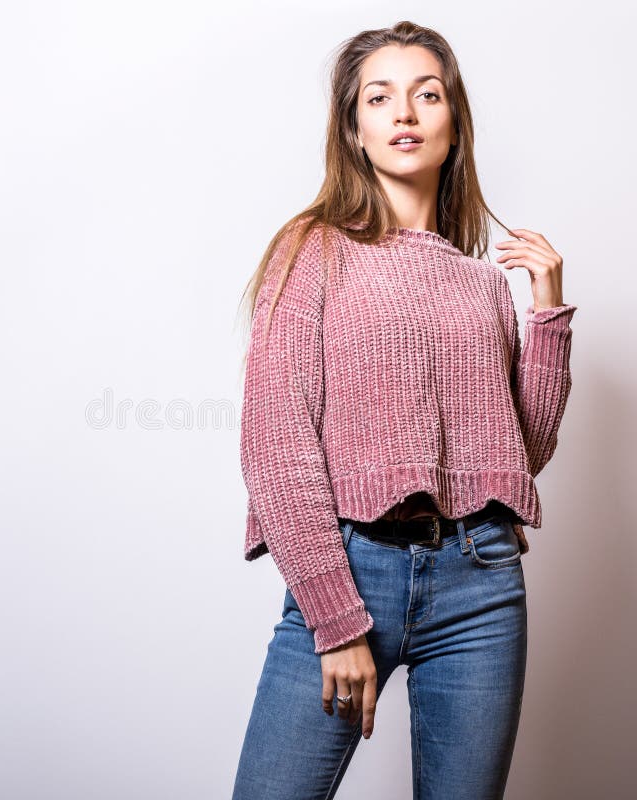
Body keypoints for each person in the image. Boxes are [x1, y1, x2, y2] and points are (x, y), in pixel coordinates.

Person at [232, 20, 578, 800]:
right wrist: (335, 617)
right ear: (354, 130)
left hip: (482, 582)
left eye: (427, 95)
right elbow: (275, 440)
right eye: (379, 97)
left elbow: (517, 455)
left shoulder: (481, 282)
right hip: (351, 569)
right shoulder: (311, 249)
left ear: (454, 125)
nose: (405, 113)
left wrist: (547, 314)